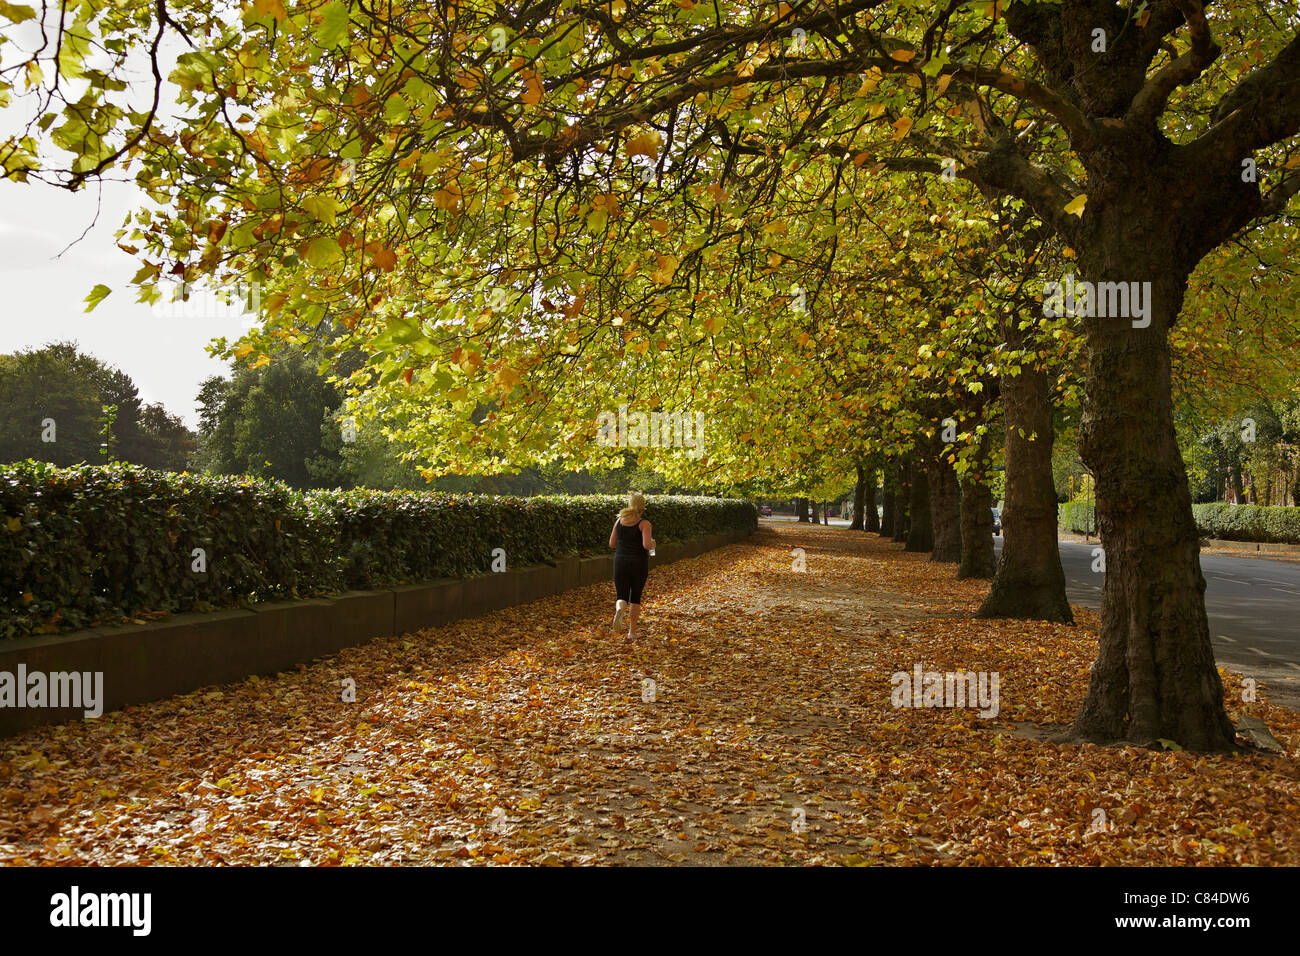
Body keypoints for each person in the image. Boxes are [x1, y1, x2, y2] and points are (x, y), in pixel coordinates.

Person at [608, 492, 656, 637]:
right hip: (638, 563)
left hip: (620, 562)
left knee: (621, 595)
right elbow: (647, 545)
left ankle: (620, 608)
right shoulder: (644, 524)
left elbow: (611, 544)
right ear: (643, 507)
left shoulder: (619, 522)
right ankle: (632, 632)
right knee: (635, 597)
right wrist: (653, 543)